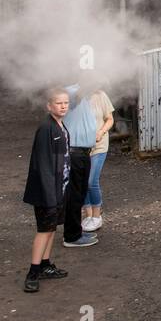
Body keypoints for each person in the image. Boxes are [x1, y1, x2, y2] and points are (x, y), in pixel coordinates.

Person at [22, 88, 72, 293]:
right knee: (44, 230)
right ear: (49, 106)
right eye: (59, 103)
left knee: (52, 228)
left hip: (60, 187)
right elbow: (42, 164)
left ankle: (45, 265)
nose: (63, 106)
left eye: (66, 103)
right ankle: (32, 273)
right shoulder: (45, 128)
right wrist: (50, 195)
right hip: (47, 192)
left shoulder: (60, 124)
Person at [61, 76, 101, 248]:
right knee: (74, 195)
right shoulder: (72, 92)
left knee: (79, 193)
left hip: (83, 153)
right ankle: (71, 236)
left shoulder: (85, 96)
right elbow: (76, 94)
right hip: (74, 153)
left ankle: (76, 230)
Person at [81, 80, 114, 232]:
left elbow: (110, 119)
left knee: (91, 181)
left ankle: (97, 215)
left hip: (99, 145)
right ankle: (87, 215)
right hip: (81, 146)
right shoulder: (76, 97)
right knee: (82, 181)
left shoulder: (101, 96)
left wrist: (100, 132)